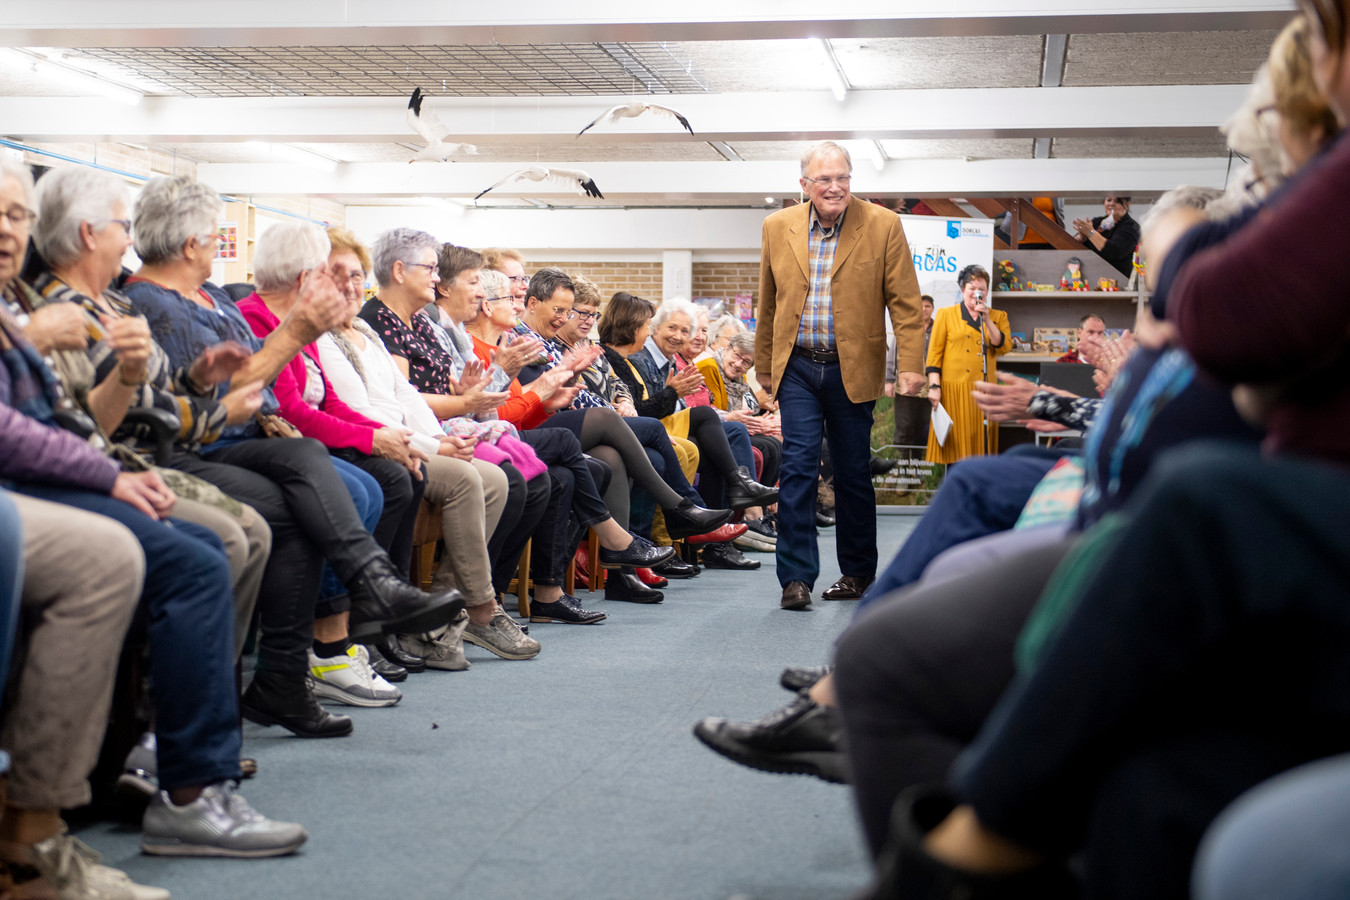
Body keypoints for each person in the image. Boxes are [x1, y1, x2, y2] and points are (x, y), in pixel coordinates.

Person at [123, 175, 465, 737]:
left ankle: (314, 648)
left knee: (309, 472)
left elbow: (251, 385)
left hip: (239, 439)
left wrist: (262, 388)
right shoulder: (151, 302)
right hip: (198, 445)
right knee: (300, 495)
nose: (219, 244)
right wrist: (295, 336)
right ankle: (337, 624)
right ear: (191, 244)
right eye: (214, 235)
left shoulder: (206, 298)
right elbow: (226, 394)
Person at [317, 228, 520, 669]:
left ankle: (444, 611)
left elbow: (404, 394)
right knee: (466, 478)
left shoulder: (366, 331)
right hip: (381, 442)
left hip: (413, 435)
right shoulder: (325, 337)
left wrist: (442, 439)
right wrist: (435, 444)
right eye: (340, 277)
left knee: (498, 480)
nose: (353, 287)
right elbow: (358, 409)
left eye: (356, 277)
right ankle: (461, 612)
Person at [757, 140, 925, 611]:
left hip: (854, 367)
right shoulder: (777, 226)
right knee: (797, 468)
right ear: (805, 185)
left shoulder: (883, 225)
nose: (835, 188)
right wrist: (766, 369)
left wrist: (911, 366)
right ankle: (795, 578)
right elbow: (768, 302)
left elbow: (907, 308)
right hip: (796, 367)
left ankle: (856, 572)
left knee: (853, 474)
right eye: (824, 179)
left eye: (843, 178)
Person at [924, 265, 1011, 464]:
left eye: (981, 288)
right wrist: (934, 387)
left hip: (985, 392)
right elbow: (934, 356)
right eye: (972, 288)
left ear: (987, 292)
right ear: (963, 290)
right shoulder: (946, 314)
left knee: (982, 450)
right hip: (953, 391)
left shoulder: (999, 316)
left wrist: (987, 319)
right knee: (954, 451)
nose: (976, 293)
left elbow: (1003, 346)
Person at [886, 294, 934, 457]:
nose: (924, 309)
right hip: (905, 386)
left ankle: (918, 466)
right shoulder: (907, 328)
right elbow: (893, 354)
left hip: (929, 388)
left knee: (924, 428)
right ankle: (904, 468)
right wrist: (889, 380)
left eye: (928, 306)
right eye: (921, 305)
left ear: (932, 309)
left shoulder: (939, 328)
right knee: (905, 426)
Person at [1071, 194, 1141, 276]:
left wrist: (1090, 233)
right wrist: (1080, 238)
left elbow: (1115, 251)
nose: (1111, 204)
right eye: (1109, 200)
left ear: (1128, 205)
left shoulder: (1132, 227)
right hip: (1091, 277)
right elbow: (1073, 243)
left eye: (1118, 201)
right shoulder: (1096, 222)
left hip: (1118, 280)